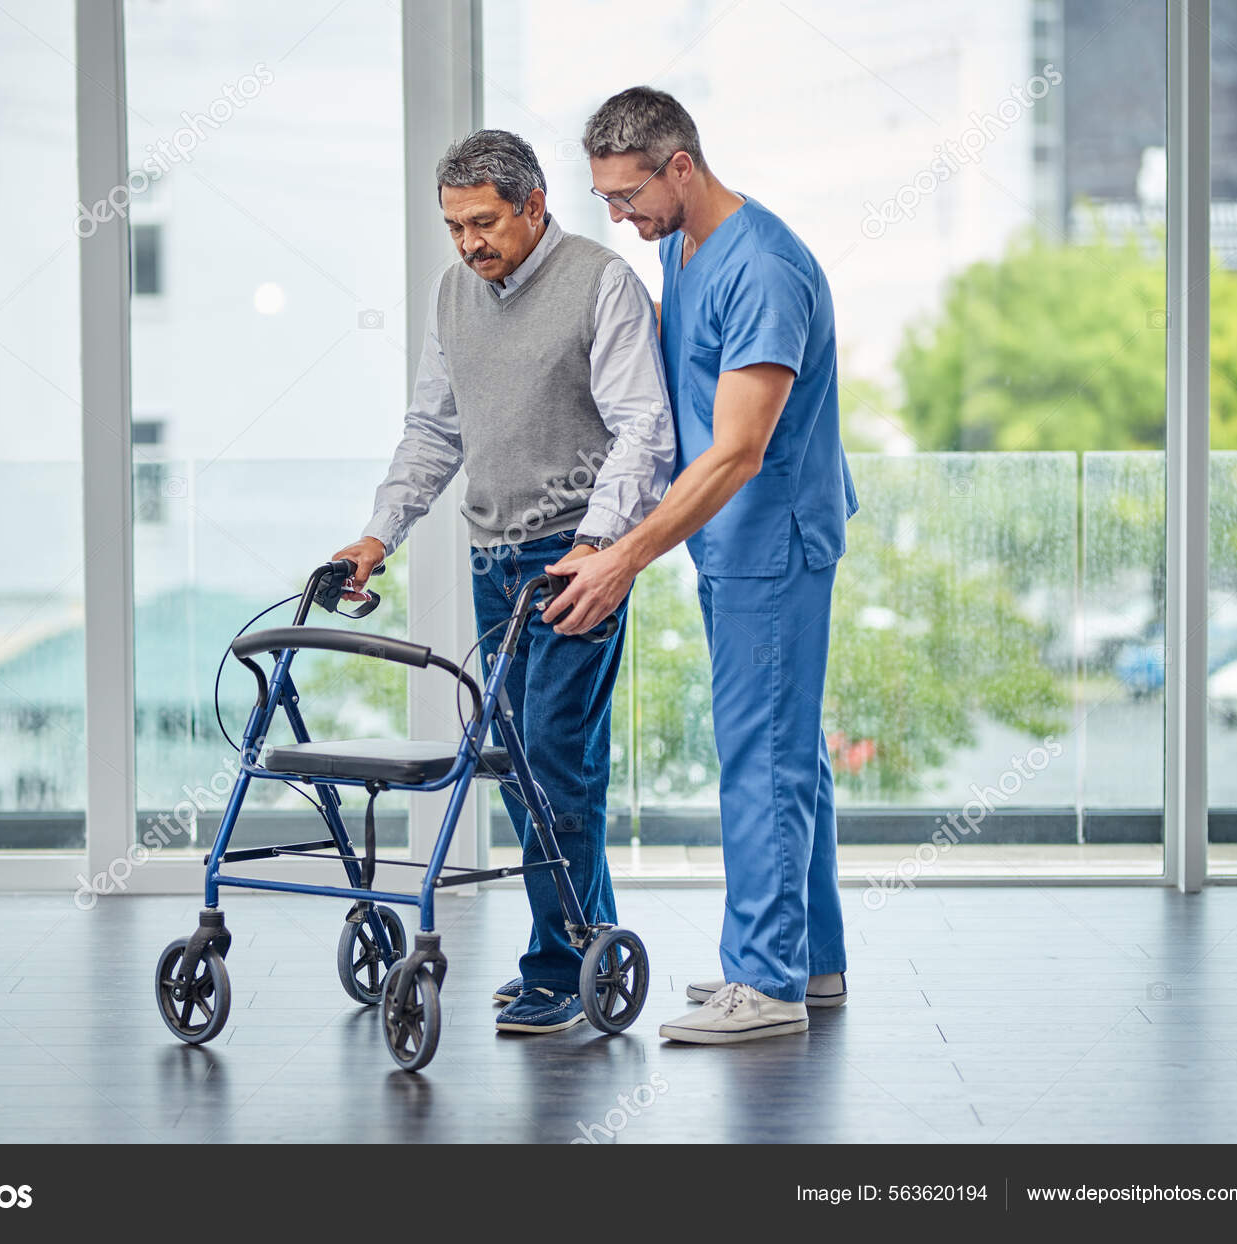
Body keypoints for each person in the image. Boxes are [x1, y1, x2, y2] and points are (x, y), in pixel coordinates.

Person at [330, 129, 675, 1034]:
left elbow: (644, 428)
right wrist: (377, 536)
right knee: (521, 767)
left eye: (484, 222)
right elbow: (433, 431)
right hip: (493, 560)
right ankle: (584, 941)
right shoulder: (454, 295)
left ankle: (559, 967)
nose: (469, 243)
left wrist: (601, 544)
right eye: (453, 227)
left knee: (555, 754)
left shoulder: (602, 283)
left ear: (533, 206)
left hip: (575, 557)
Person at [545, 87, 856, 1044]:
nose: (618, 218)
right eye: (602, 199)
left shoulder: (762, 268)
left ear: (683, 166)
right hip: (732, 546)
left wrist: (622, 560)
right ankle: (811, 961)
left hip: (773, 542)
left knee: (759, 758)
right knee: (784, 752)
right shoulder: (682, 248)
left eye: (628, 195)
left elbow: (737, 451)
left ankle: (762, 987)